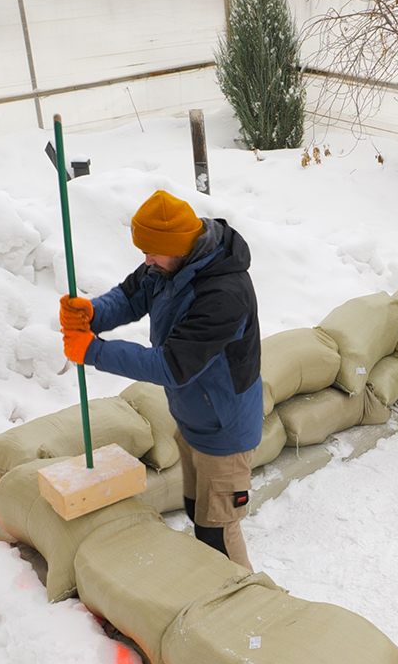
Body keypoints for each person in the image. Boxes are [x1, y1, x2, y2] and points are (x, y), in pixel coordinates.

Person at [58, 190, 264, 570]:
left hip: (225, 429)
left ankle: (243, 606)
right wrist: (92, 314)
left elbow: (171, 365)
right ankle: (211, 582)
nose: (147, 260)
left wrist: (94, 351)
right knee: (195, 509)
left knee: (218, 529)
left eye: (152, 252)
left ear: (179, 246)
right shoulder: (167, 263)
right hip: (193, 416)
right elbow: (130, 297)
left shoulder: (223, 295)